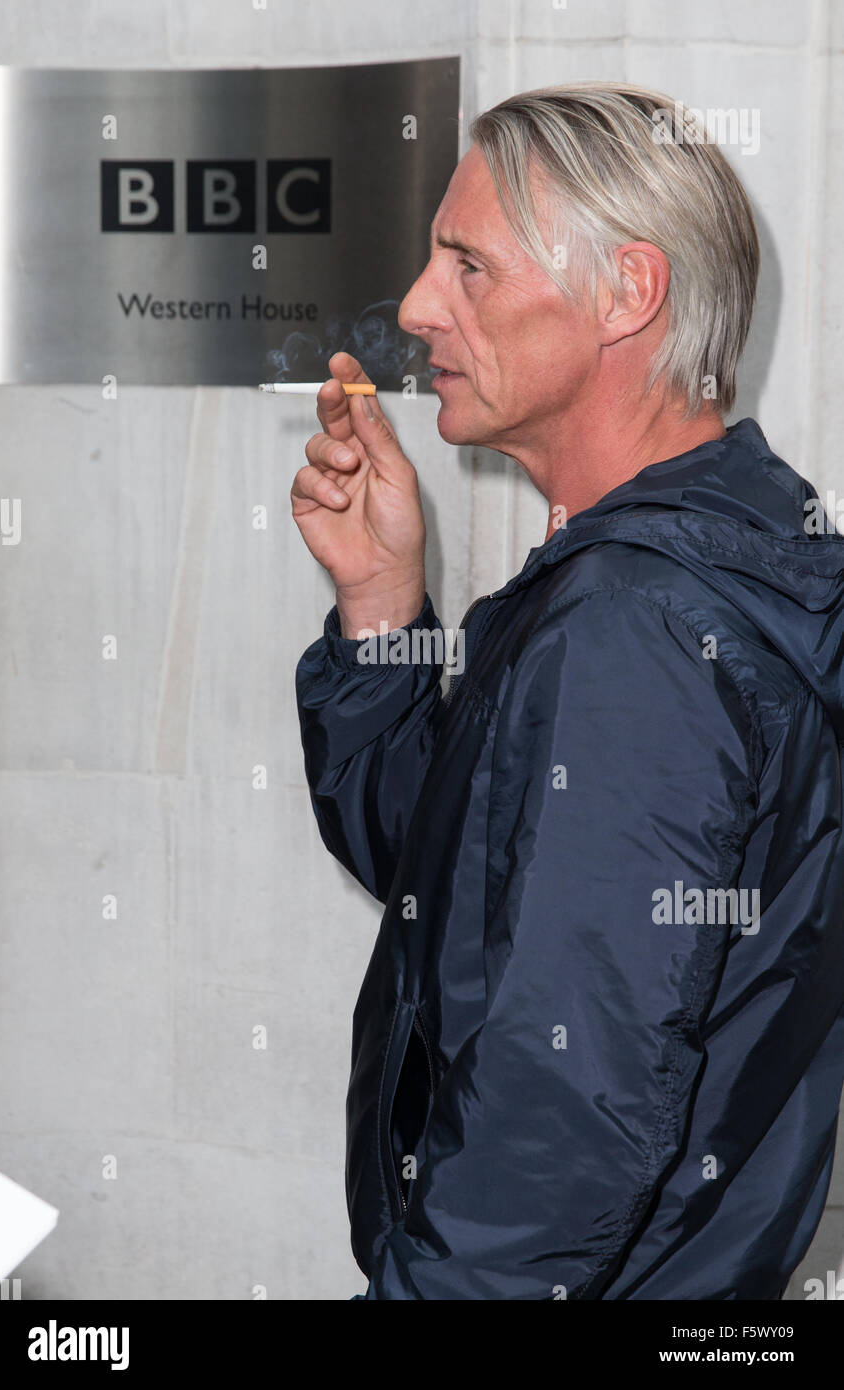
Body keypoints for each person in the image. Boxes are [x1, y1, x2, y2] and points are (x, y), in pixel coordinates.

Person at [291, 82, 844, 1299]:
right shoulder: (697, 556)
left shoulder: (640, 629)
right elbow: (460, 894)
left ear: (626, 294)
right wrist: (382, 604)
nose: (419, 308)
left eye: (467, 266)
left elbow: (555, 1132)